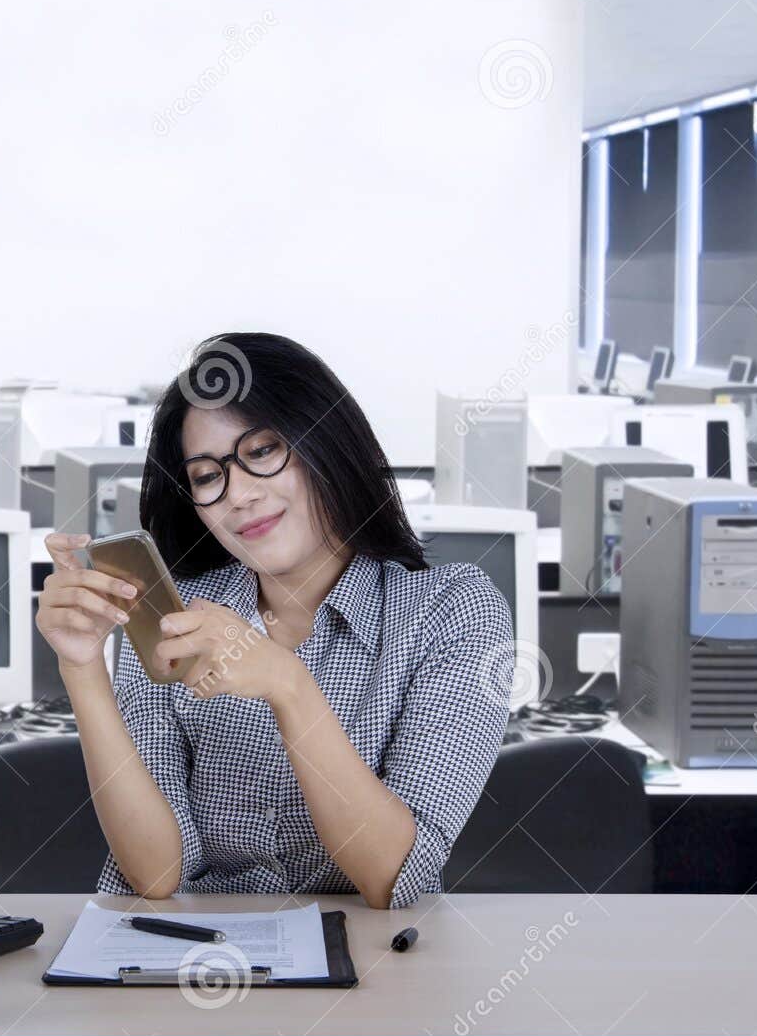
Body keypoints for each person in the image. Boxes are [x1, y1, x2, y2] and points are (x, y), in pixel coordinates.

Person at [37, 332, 513, 906]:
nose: (238, 495)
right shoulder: (178, 616)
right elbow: (157, 873)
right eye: (209, 477)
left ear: (327, 444)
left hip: (375, 973)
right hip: (195, 958)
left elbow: (392, 876)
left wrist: (288, 686)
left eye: (261, 452)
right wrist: (81, 667)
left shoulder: (453, 611)